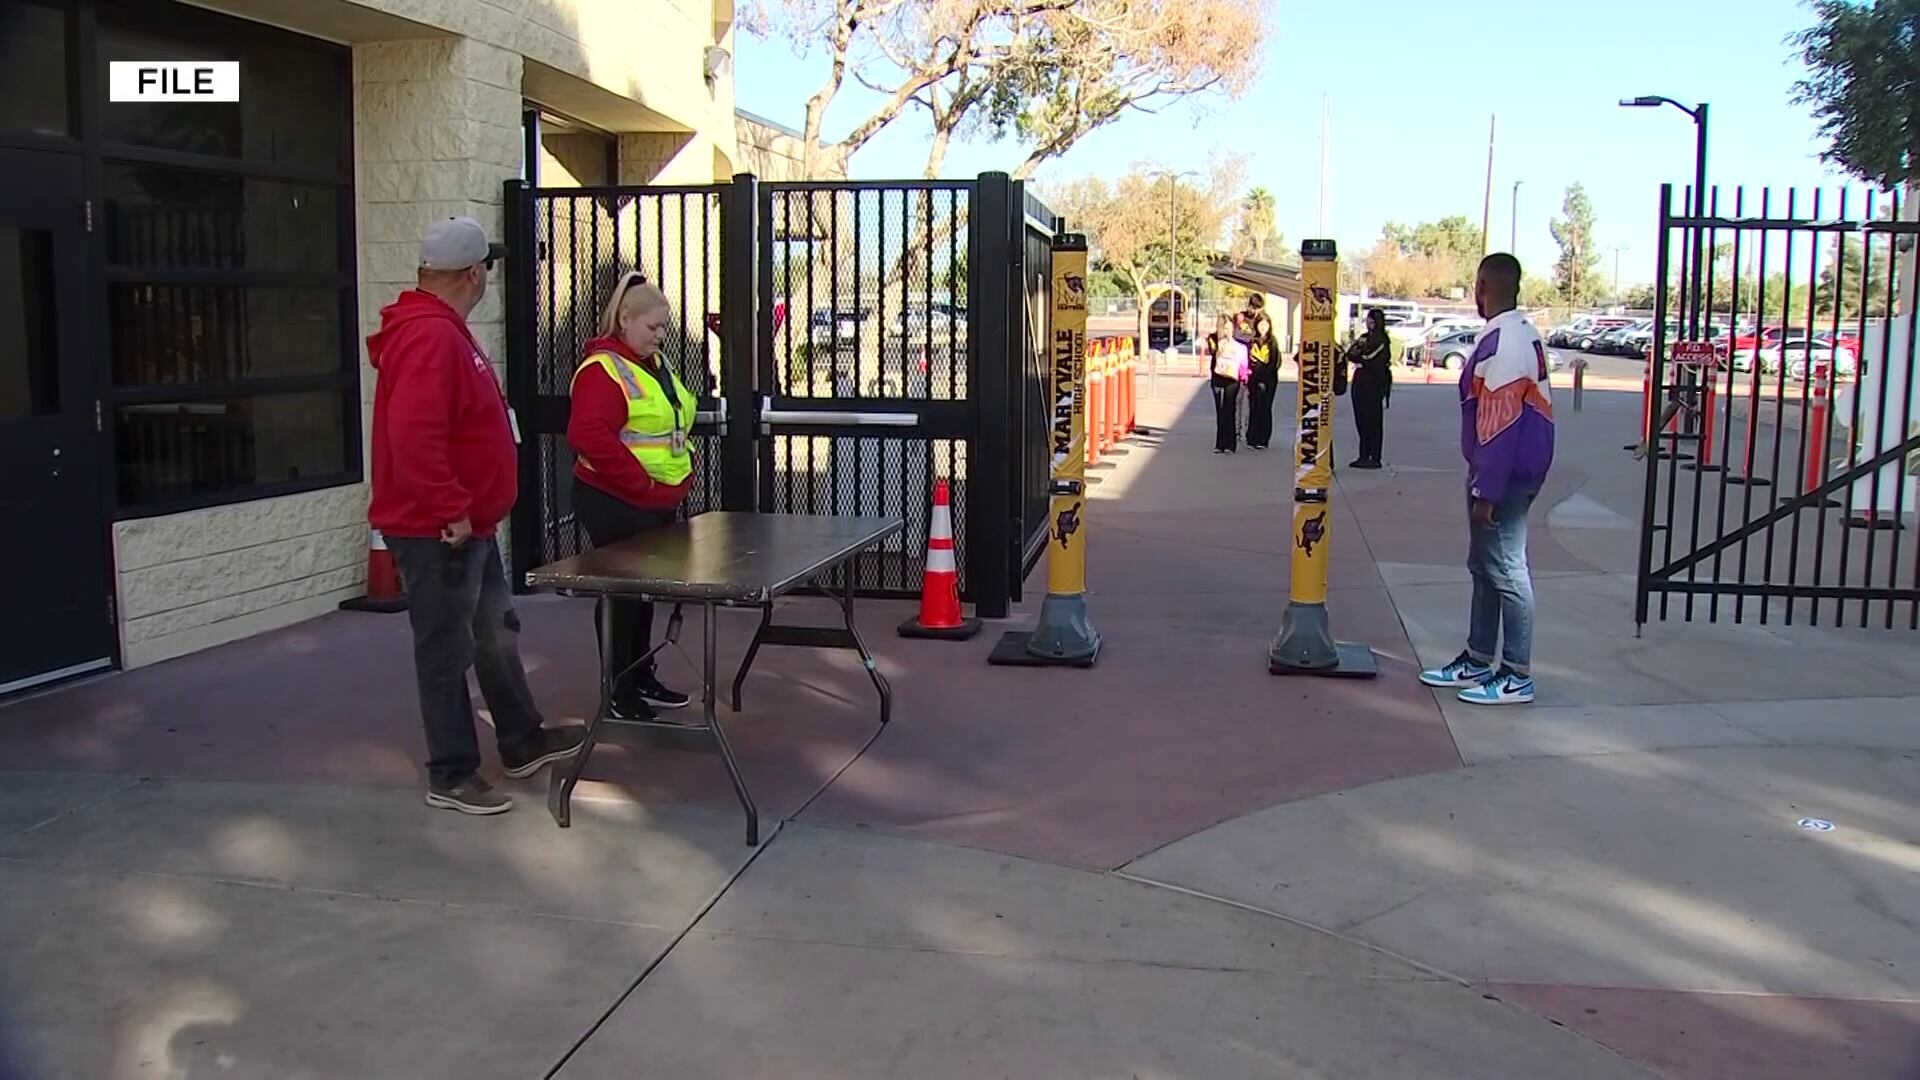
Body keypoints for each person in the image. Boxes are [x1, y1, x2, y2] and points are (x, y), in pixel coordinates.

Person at [368, 216, 586, 815]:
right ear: (472, 274)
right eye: (486, 267)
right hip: (439, 528)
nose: (487, 276)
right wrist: (452, 510)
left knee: (494, 631)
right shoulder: (431, 337)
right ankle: (451, 771)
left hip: (467, 524)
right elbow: (414, 437)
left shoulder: (440, 330)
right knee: (445, 647)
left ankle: (520, 738)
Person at [1419, 253, 1555, 706]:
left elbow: (1501, 422)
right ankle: (1478, 657)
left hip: (1507, 475)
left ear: (1482, 286)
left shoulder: (1506, 343)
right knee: (1485, 567)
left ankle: (1516, 672)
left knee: (1507, 569)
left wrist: (1487, 490)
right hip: (1502, 470)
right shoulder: (1514, 333)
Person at [566, 272, 699, 721]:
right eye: (652, 327)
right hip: (617, 501)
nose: (660, 336)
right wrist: (640, 485)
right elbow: (588, 435)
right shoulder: (604, 370)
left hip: (654, 501)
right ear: (625, 319)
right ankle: (618, 691)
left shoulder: (654, 365)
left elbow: (670, 425)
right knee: (622, 594)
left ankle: (641, 673)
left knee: (644, 594)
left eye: (664, 328)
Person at [1346, 307, 1393, 469]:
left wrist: (1361, 357)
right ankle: (1363, 454)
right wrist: (1359, 356)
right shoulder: (1364, 338)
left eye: (1370, 319)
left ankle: (1374, 456)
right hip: (1360, 380)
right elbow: (1351, 353)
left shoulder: (1381, 340)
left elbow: (1369, 358)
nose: (1367, 322)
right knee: (1361, 418)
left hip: (1374, 383)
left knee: (1372, 419)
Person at [1238, 294, 1281, 450]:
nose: (1263, 327)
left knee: (1265, 408)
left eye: (1265, 325)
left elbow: (1275, 362)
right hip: (1253, 380)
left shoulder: (1272, 341)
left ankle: (1263, 439)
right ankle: (1252, 438)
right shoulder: (1252, 341)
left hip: (1268, 380)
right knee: (1254, 407)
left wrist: (1265, 376)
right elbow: (1247, 360)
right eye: (1260, 325)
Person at [1206, 314, 1246, 454]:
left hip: (1232, 379)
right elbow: (1212, 352)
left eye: (1229, 328)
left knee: (1230, 409)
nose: (1227, 331)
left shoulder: (1238, 344)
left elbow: (1242, 361)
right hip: (1218, 377)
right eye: (1224, 328)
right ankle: (1220, 443)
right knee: (1220, 410)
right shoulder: (1213, 339)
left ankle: (1230, 444)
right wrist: (1221, 344)